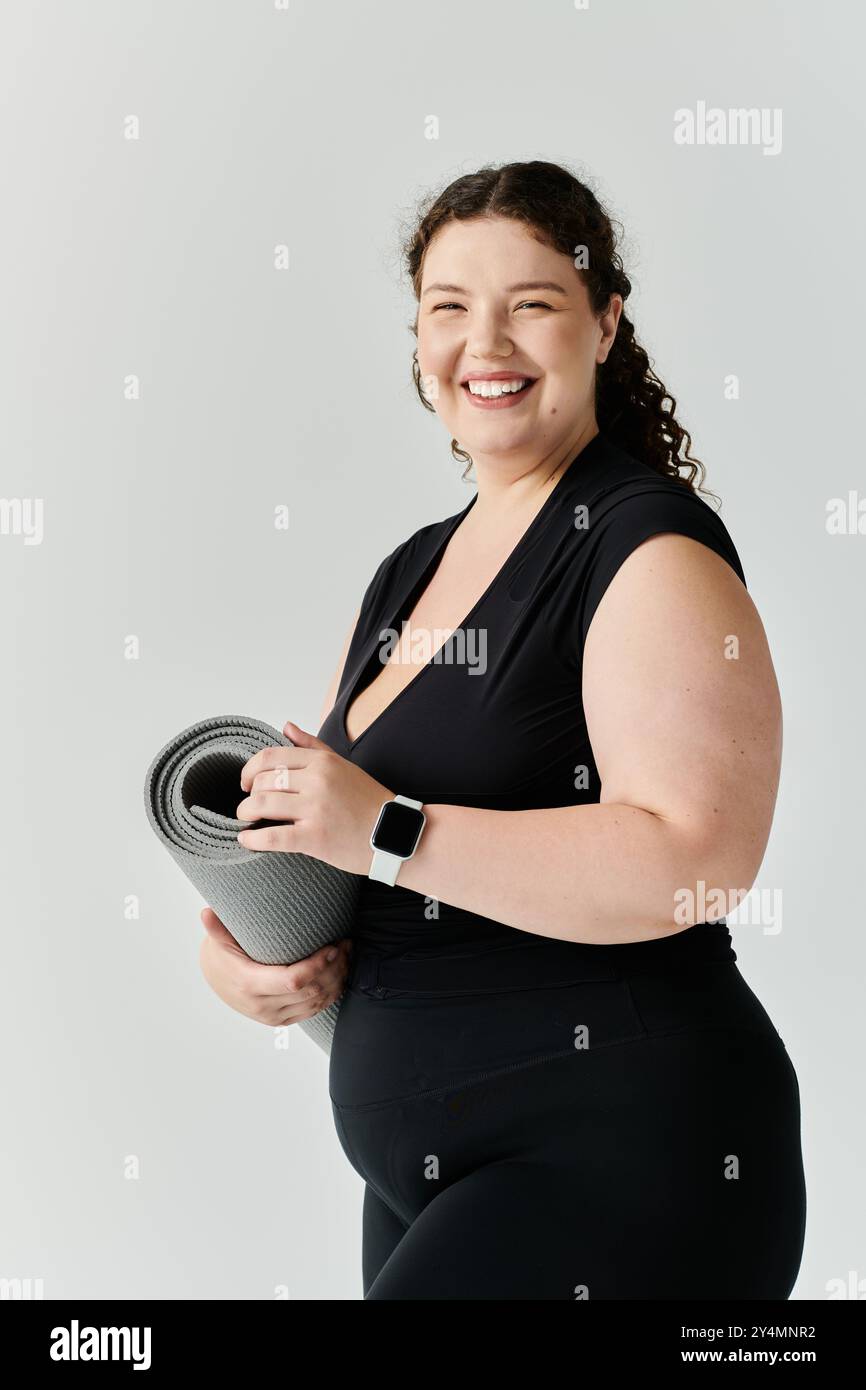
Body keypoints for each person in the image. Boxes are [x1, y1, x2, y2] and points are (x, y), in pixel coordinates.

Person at [200, 160, 807, 1300]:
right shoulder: (409, 571)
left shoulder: (647, 549)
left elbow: (696, 862)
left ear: (603, 321)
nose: (486, 342)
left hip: (622, 1156)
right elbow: (357, 843)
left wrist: (382, 828)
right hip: (426, 1172)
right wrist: (260, 954)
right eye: (448, 307)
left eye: (530, 302)